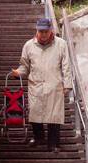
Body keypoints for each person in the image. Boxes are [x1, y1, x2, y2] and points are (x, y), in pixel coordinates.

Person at [13, 17, 71, 151]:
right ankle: (39, 138)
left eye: (46, 31)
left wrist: (67, 84)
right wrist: (18, 73)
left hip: (54, 84)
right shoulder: (28, 45)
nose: (43, 34)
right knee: (35, 112)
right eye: (41, 31)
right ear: (37, 31)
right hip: (36, 84)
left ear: (51, 30)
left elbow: (66, 65)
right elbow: (25, 66)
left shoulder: (61, 44)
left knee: (54, 115)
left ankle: (53, 144)